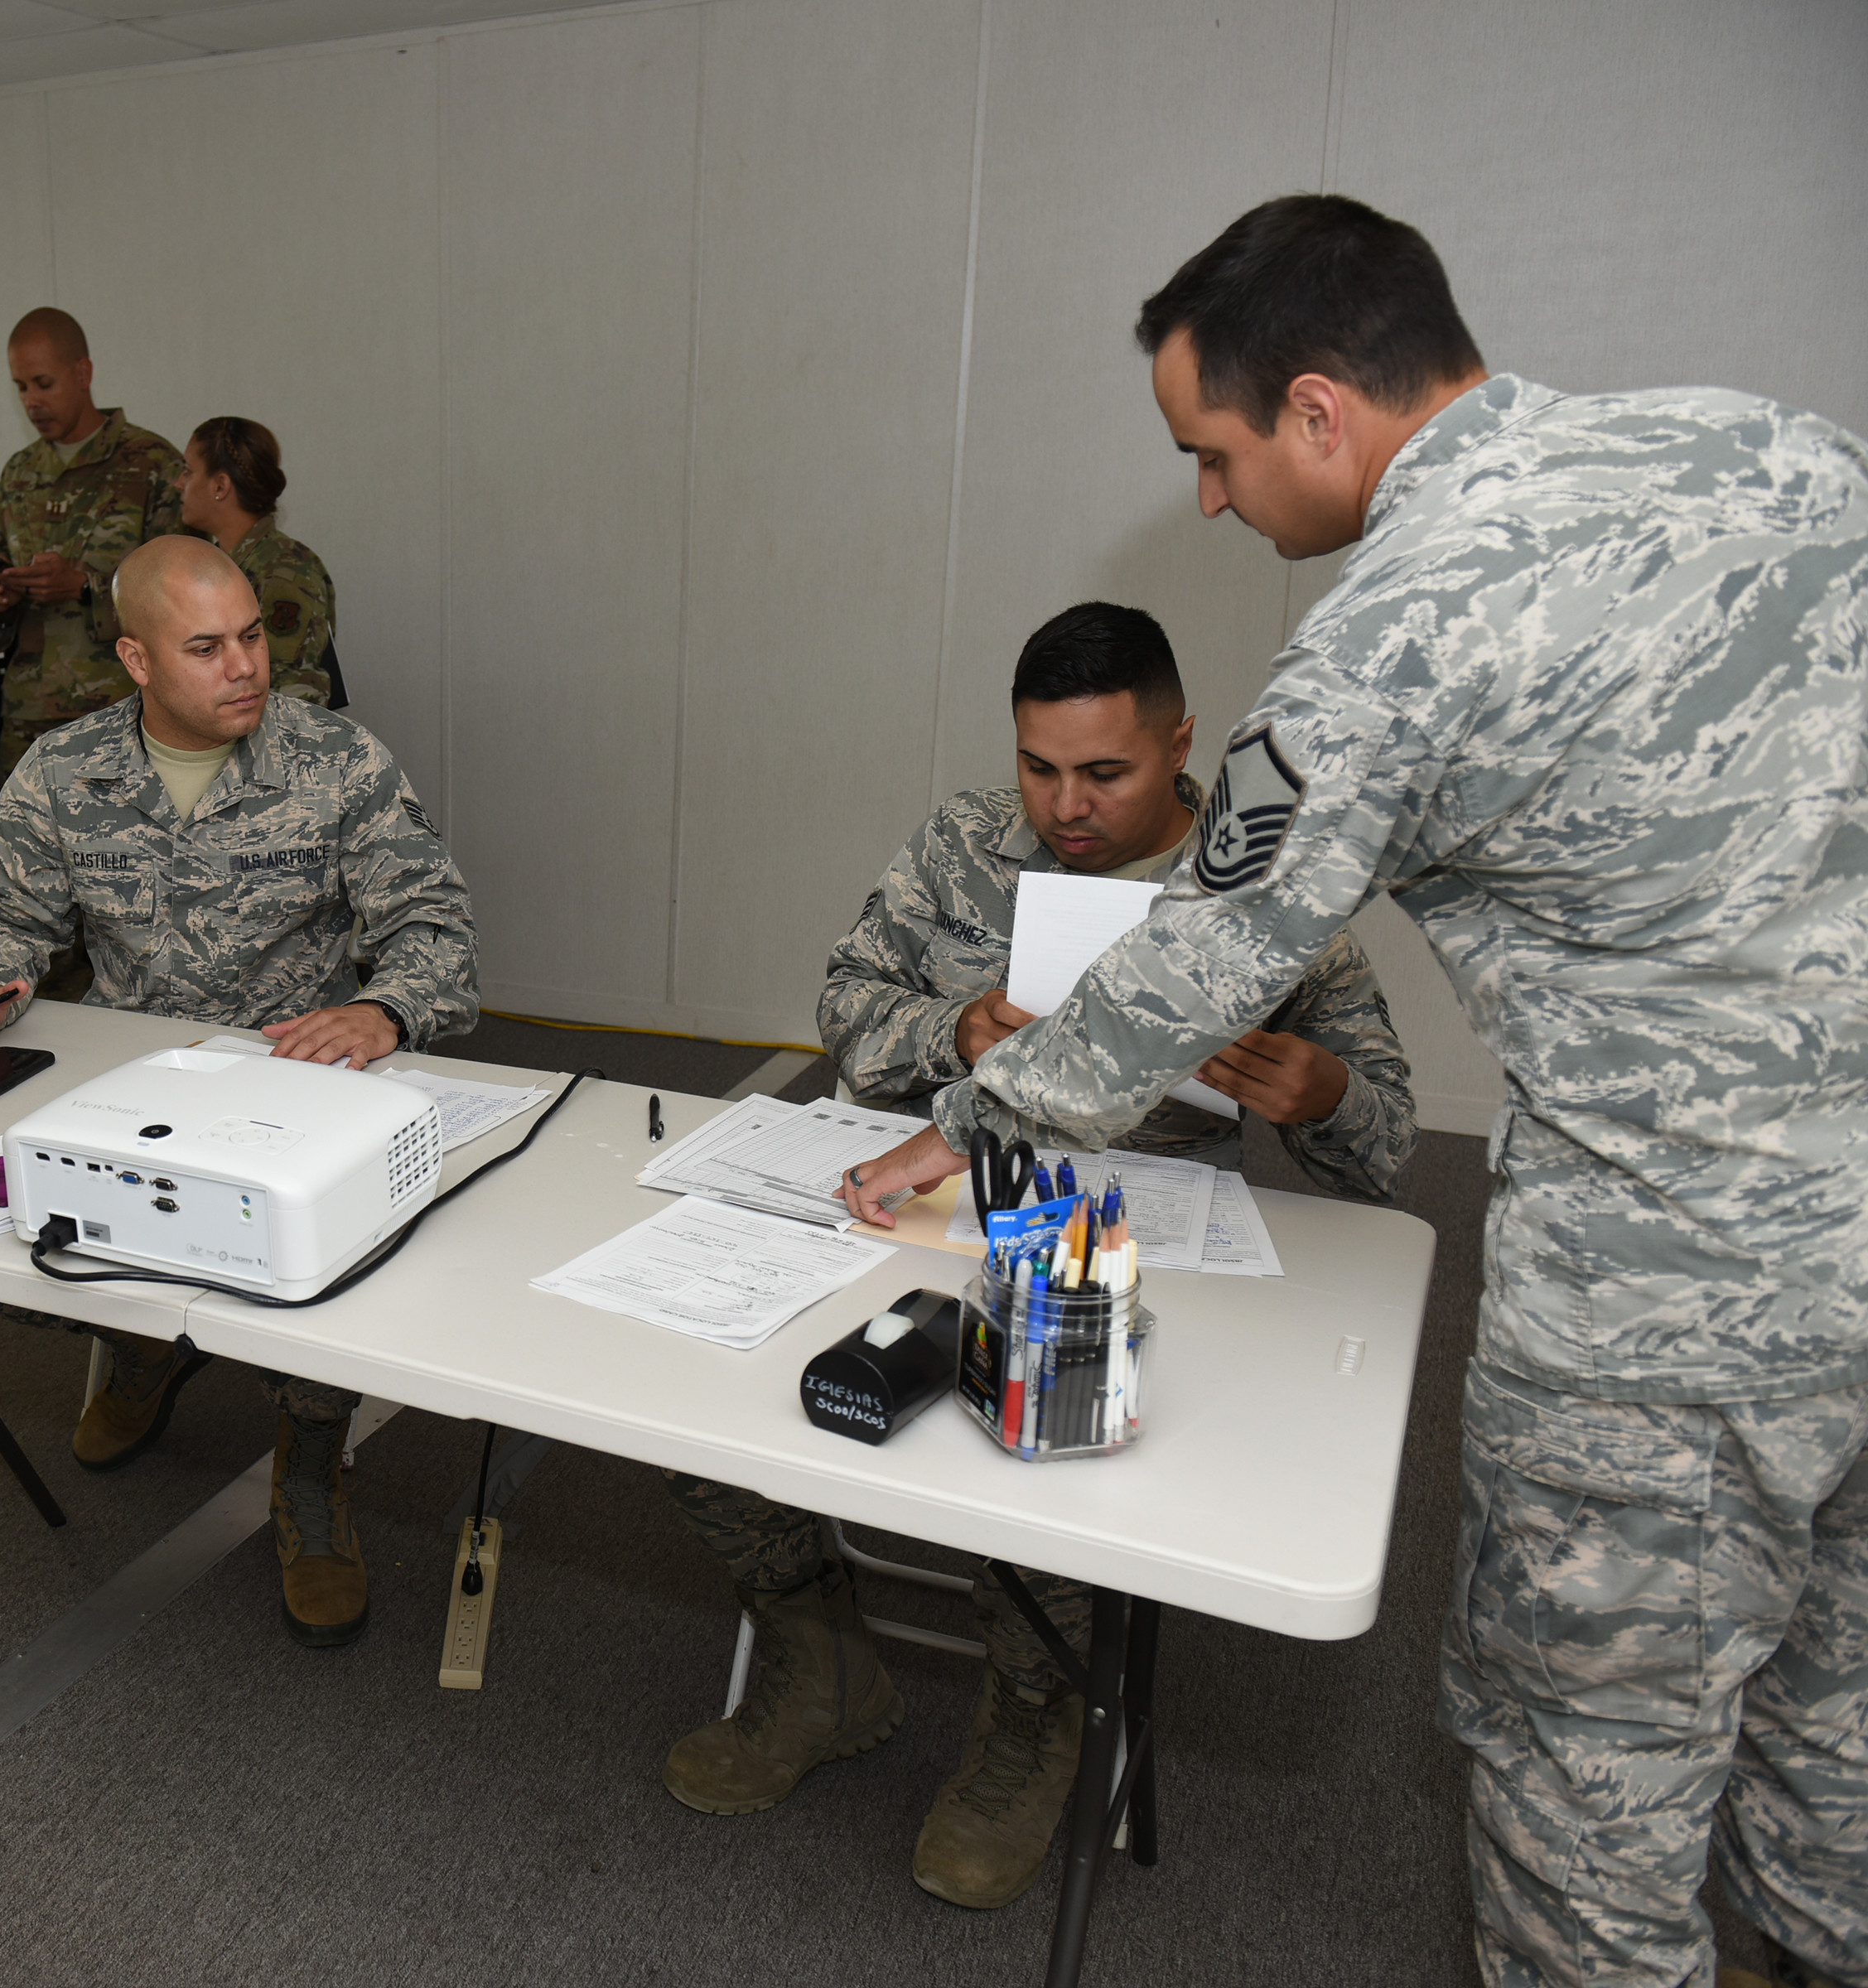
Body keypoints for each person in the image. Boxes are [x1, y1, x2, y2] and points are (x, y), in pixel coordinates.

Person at [836, 196, 1867, 1988]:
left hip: (1671, 1297)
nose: (1210, 501)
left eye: (1214, 454)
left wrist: (981, 1120)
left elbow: (1206, 947)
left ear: (1318, 408)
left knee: (1594, 1793)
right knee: (1836, 1719)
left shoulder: (1399, 629)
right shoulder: (1782, 452)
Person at [655, 599, 1417, 1910]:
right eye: (1039, 766)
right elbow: (844, 1006)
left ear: (1180, 743)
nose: (1065, 806)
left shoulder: (1269, 892)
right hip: (930, 1195)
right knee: (711, 1363)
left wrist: (1325, 1092)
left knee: (1056, 1411)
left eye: (1105, 772)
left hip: (1136, 1237)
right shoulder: (963, 846)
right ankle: (815, 1653)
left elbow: (1386, 1153)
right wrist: (956, 1032)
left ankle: (1035, 1706)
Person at [0, 535, 477, 1648]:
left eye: (253, 636)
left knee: (313, 1272)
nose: (246, 666)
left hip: (298, 1084)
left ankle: (310, 1463)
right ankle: (143, 1350)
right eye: (206, 648)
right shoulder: (65, 772)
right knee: (82, 1226)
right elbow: (0, 916)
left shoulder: (335, 760)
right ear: (136, 660)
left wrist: (385, 1008)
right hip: (135, 1092)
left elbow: (434, 924)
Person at [0, 308, 186, 778]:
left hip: (121, 713)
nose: (32, 402)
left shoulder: (152, 465)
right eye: (21, 387)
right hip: (29, 720)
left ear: (83, 374)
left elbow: (183, 595)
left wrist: (86, 588)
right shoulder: (18, 474)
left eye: (43, 384)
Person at [180, 416, 335, 706]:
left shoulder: (285, 570)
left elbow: (294, 690)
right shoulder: (214, 565)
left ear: (220, 486)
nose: (178, 483)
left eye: (188, 471)